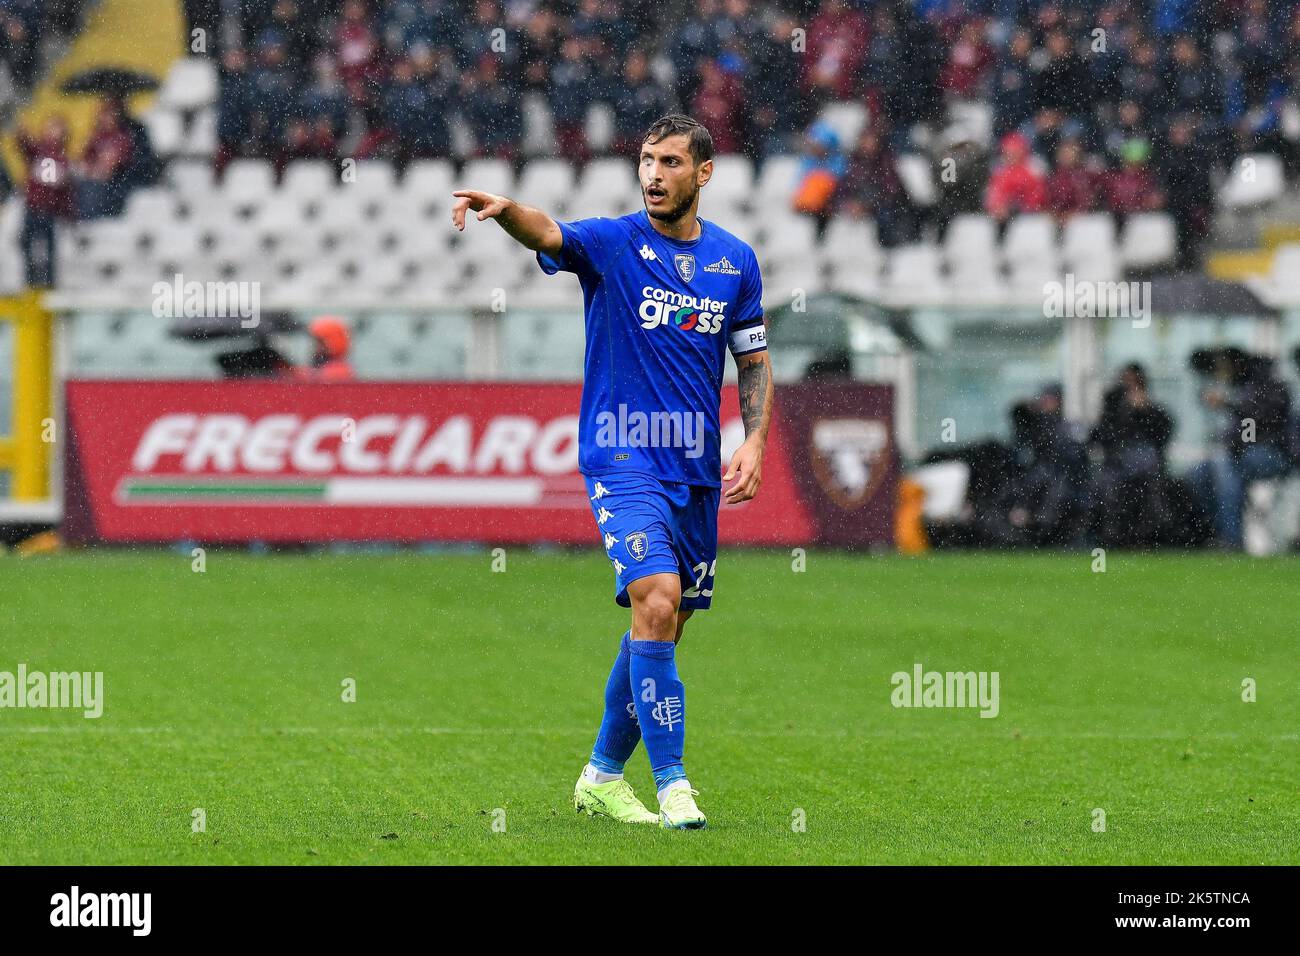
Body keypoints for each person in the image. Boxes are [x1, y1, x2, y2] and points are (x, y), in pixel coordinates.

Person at [450, 113, 773, 830]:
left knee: (664, 627)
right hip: (621, 457)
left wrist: (753, 441)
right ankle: (675, 785)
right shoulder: (614, 243)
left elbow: (752, 360)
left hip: (692, 469)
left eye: (669, 162)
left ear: (704, 173)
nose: (653, 174)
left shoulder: (735, 262)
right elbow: (549, 232)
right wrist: (506, 214)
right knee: (655, 595)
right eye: (646, 160)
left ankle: (600, 775)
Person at [1189, 350, 1293, 548]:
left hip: (1272, 454)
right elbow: (1245, 432)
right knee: (1198, 474)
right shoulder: (1242, 388)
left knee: (1226, 469)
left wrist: (1228, 404)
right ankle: (1213, 532)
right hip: (1244, 454)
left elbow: (1258, 420)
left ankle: (1231, 539)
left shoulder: (1270, 385)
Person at [15, 116, 75, 288]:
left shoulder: (62, 158)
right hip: (33, 207)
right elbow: (24, 146)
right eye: (50, 128)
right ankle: (30, 281)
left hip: (49, 210)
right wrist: (21, 134)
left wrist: (67, 212)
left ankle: (49, 282)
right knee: (28, 245)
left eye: (57, 129)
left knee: (49, 248)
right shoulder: (39, 151)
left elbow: (64, 190)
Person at [294, 315, 355, 381]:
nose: (315, 347)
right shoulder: (322, 366)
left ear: (333, 343)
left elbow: (315, 377)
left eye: (320, 342)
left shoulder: (339, 370)